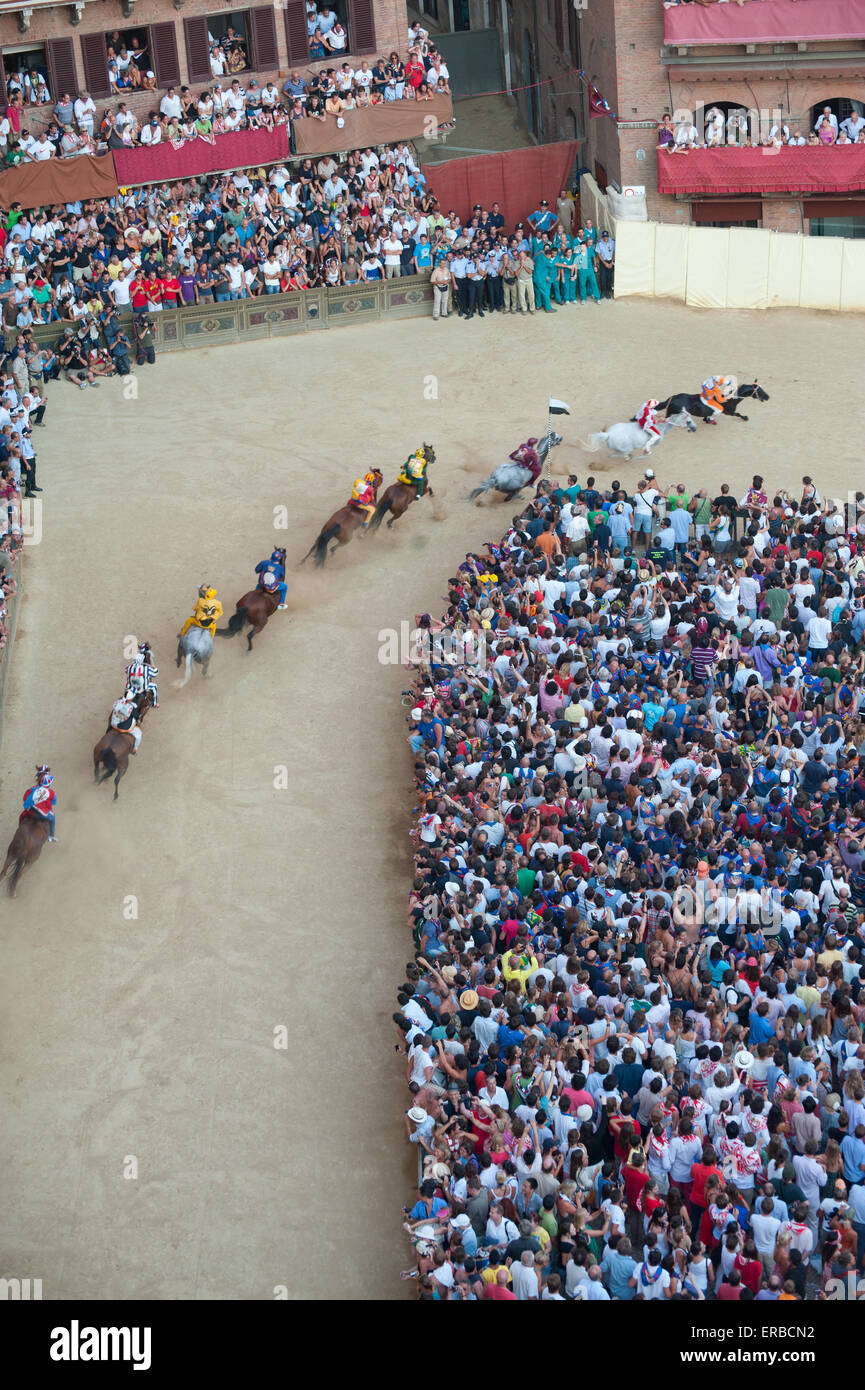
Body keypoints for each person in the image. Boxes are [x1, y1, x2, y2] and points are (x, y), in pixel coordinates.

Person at [20, 764, 57, 842]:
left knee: (21, 816)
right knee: (52, 818)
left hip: (31, 812)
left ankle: (20, 829)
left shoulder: (32, 789)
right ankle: (51, 836)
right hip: (43, 814)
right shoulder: (51, 792)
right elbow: (53, 803)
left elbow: (24, 799)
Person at [109, 689, 144, 755]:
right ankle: (134, 749)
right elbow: (136, 716)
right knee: (139, 734)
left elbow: (114, 708)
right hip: (122, 727)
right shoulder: (131, 707)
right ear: (131, 699)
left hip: (113, 723)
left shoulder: (117, 701)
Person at [125, 642, 159, 707]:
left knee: (127, 685)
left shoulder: (129, 667)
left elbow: (125, 671)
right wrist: (149, 666)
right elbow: (155, 673)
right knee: (155, 686)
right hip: (141, 688)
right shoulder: (145, 668)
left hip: (131, 687)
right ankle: (155, 703)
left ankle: (125, 698)